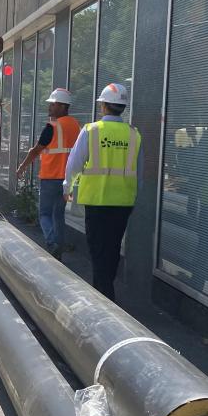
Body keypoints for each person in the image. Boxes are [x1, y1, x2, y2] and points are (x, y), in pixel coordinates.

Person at [63, 82, 141, 301]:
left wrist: (66, 187)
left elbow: (74, 163)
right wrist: (134, 195)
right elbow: (140, 172)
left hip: (97, 200)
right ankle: (106, 290)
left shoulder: (92, 130)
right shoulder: (134, 134)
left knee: (97, 248)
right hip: (123, 201)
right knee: (113, 247)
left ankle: (103, 296)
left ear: (104, 106)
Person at [15, 87, 80, 259]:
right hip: (68, 179)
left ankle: (52, 243)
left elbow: (36, 151)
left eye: (53, 104)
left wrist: (22, 167)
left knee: (44, 213)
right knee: (58, 215)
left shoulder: (52, 126)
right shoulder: (76, 126)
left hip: (51, 177)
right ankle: (58, 251)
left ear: (62, 106)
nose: (49, 107)